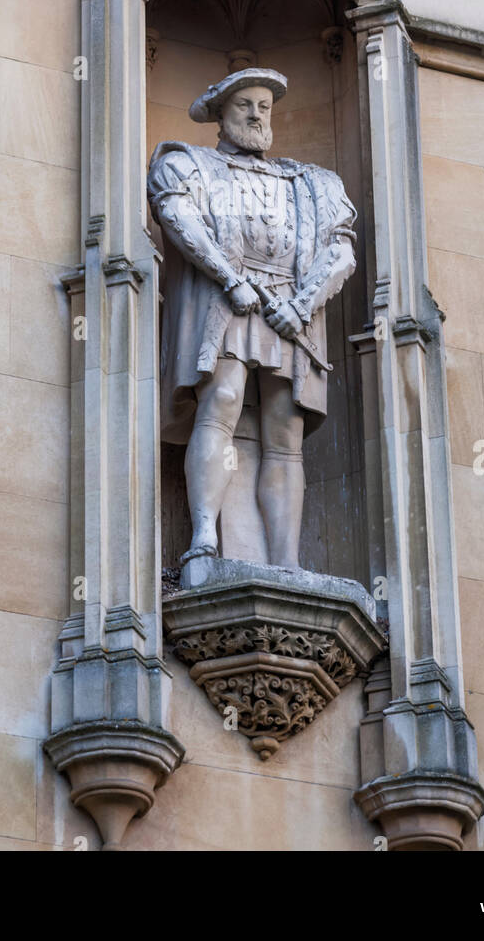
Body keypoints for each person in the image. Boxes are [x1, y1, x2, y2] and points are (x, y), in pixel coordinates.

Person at [147, 67, 356, 568]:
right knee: (221, 397)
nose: (258, 114)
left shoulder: (313, 182)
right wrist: (229, 279)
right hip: (227, 304)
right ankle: (203, 539)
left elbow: (341, 250)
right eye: (245, 105)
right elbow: (177, 215)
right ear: (220, 113)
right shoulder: (188, 163)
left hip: (292, 310)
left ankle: (286, 563)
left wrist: (302, 306)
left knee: (284, 429)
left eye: (265, 106)